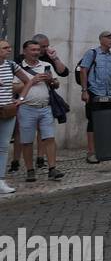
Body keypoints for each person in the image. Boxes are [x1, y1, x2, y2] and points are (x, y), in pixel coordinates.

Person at [15, 40, 64, 181]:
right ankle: (30, 170)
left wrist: (51, 81)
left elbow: (56, 84)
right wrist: (32, 81)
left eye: (37, 50)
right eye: (33, 50)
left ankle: (52, 169)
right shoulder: (18, 68)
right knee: (27, 141)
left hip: (45, 107)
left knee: (49, 138)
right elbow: (14, 88)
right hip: (26, 108)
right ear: (25, 51)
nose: (36, 52)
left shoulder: (46, 65)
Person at [0, 40, 38, 194]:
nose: (9, 49)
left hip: (8, 110)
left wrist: (20, 99)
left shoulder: (11, 65)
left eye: (9, 47)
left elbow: (28, 81)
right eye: (5, 48)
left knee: (3, 147)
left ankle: (1, 181)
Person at [77, 30, 111, 164]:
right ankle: (91, 152)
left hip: (108, 93)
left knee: (106, 121)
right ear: (101, 39)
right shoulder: (92, 53)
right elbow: (83, 70)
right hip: (94, 92)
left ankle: (104, 150)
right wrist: (84, 90)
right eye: (108, 38)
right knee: (93, 122)